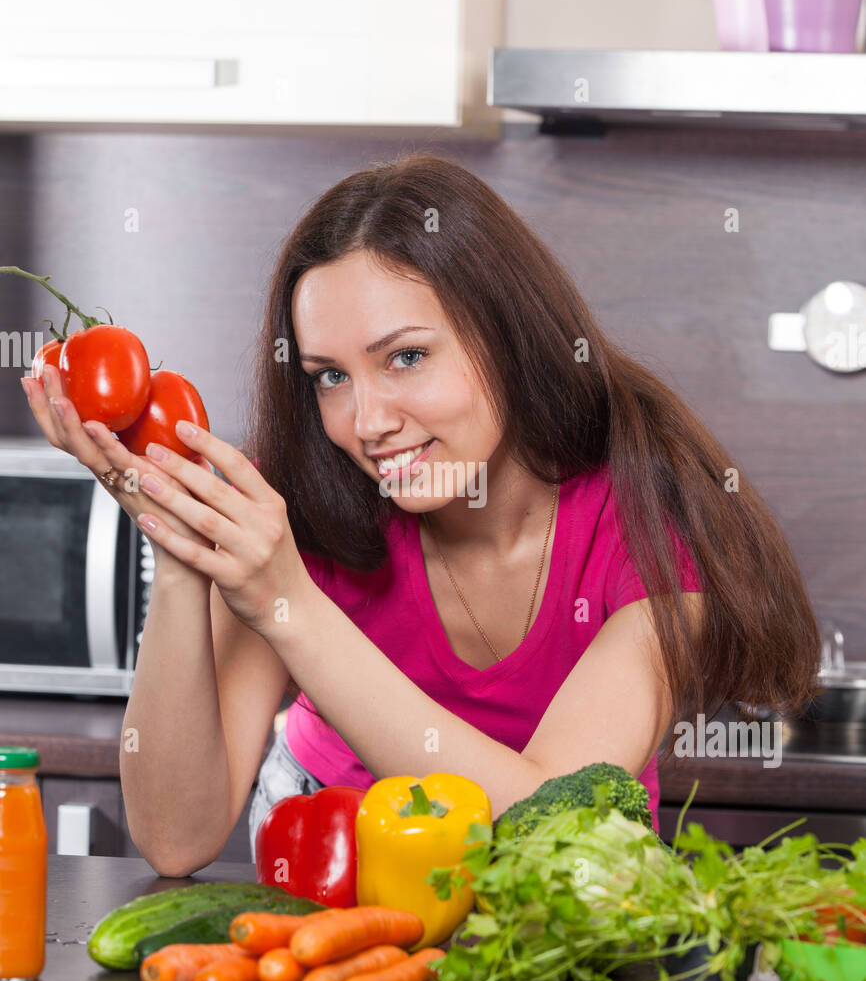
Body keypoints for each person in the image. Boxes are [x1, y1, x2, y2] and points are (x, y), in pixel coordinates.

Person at [21, 154, 821, 875]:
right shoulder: (301, 502)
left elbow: (553, 839)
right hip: (327, 860)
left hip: (561, 898)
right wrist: (182, 547)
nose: (366, 422)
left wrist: (287, 604)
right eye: (330, 377)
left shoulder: (648, 527)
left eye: (406, 357)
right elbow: (175, 838)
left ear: (509, 337)